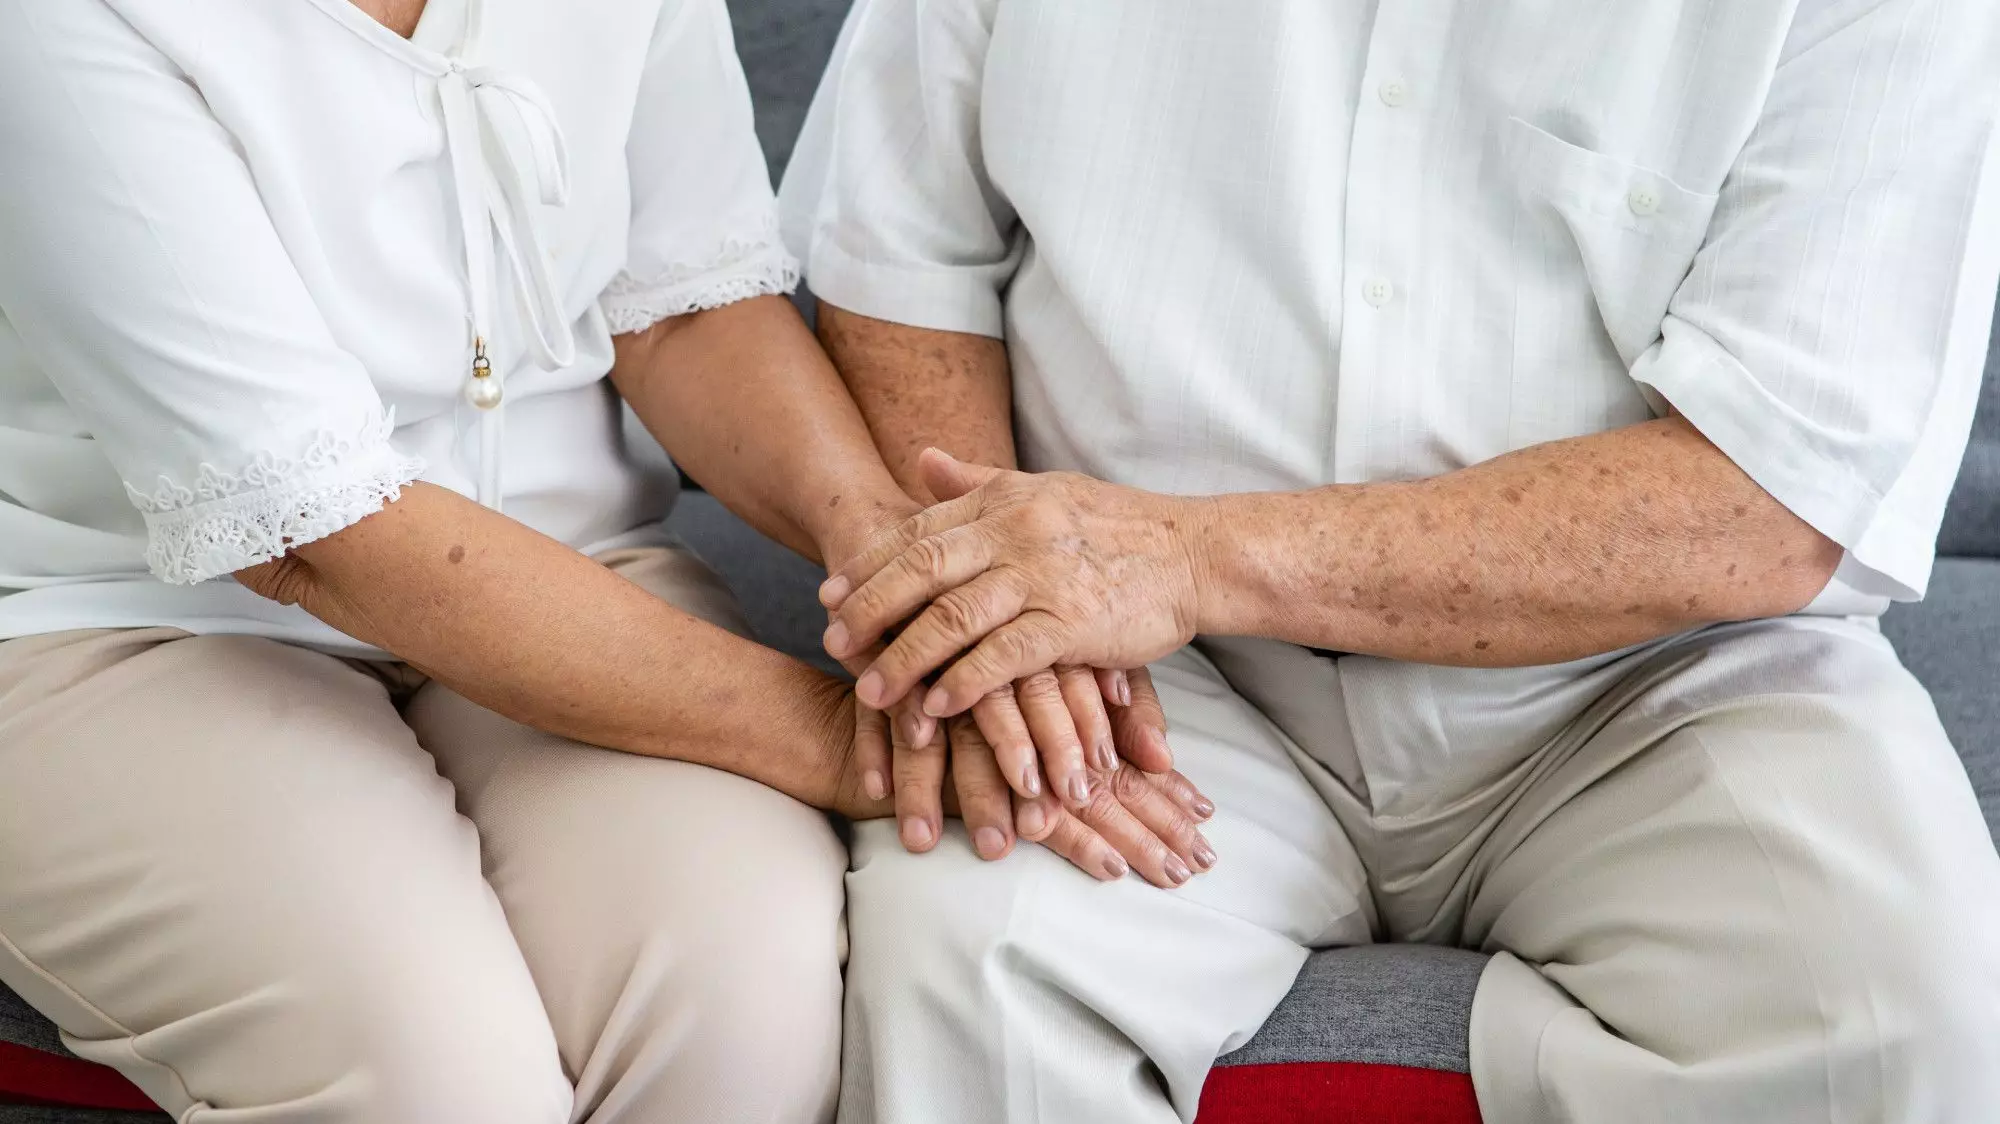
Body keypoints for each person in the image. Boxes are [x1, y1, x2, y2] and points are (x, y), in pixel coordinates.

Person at [781, 0, 2000, 1120]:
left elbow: (1769, 495)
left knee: (1908, 1005)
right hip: (1153, 677)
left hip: (1658, 679)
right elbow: (901, 264)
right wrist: (1004, 605)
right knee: (962, 946)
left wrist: (1190, 555)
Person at [0, 1, 1210, 1121]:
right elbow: (321, 538)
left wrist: (920, 577)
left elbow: (681, 311)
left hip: (582, 568)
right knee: (437, 1078)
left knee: (745, 1000)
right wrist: (853, 735)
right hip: (132, 620)